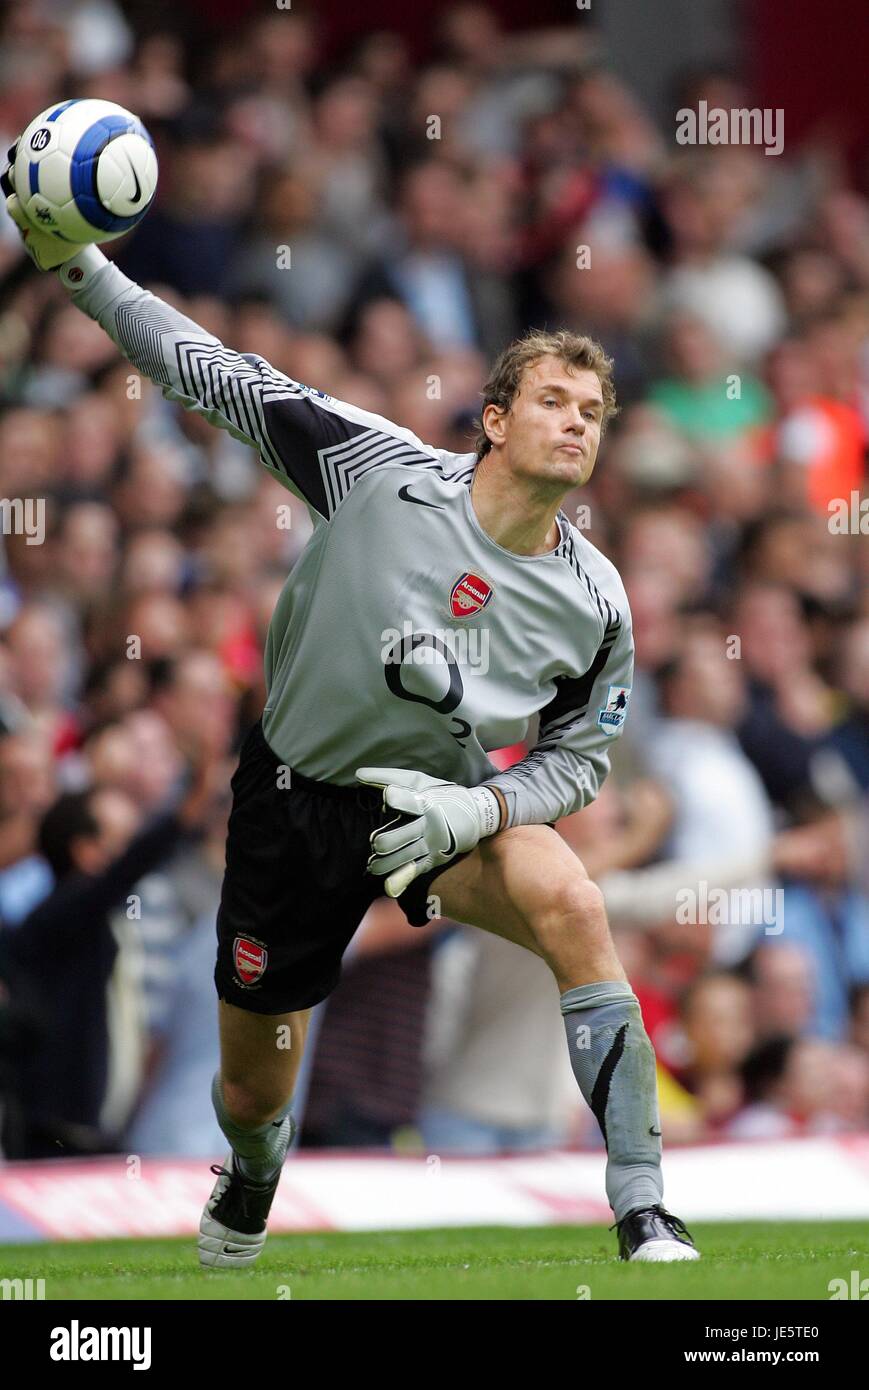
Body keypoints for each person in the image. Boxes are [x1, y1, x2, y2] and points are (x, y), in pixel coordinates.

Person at [3, 158, 699, 1265]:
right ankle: (251, 1168)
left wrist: (474, 816)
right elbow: (210, 372)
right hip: (286, 802)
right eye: (553, 402)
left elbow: (577, 762)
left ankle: (643, 1207)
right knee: (248, 1080)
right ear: (492, 418)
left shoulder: (596, 598)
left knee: (567, 896)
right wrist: (80, 268)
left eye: (593, 412)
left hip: (430, 809)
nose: (576, 424)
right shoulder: (378, 471)